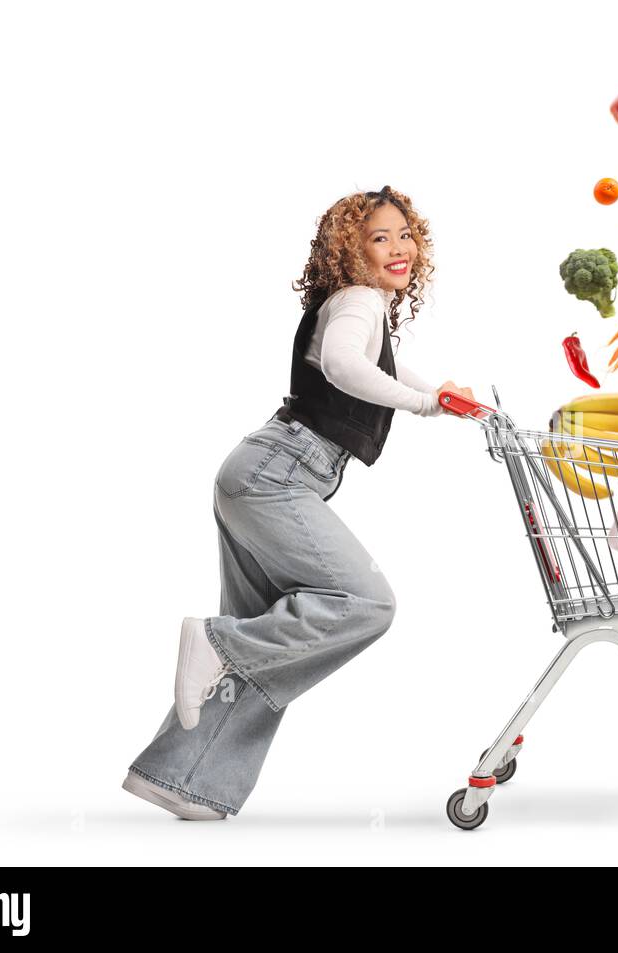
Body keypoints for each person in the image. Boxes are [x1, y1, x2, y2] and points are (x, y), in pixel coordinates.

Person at [122, 186, 473, 819]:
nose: (397, 248)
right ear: (349, 252)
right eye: (378, 238)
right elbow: (342, 364)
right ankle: (218, 642)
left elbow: (379, 364)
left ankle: (180, 779)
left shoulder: (359, 306)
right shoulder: (360, 301)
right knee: (365, 604)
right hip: (275, 476)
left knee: (283, 637)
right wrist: (421, 404)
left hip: (257, 474)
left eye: (404, 235)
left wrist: (437, 393)